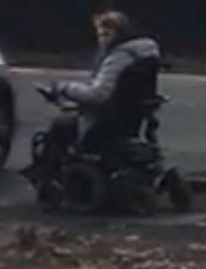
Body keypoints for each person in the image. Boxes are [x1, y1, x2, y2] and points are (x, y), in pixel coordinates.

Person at [32, 10, 161, 169]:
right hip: (128, 117)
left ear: (119, 33)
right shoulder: (144, 54)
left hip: (105, 121)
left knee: (61, 125)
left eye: (106, 34)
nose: (102, 40)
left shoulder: (119, 57)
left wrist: (63, 88)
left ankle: (48, 174)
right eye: (100, 34)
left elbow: (98, 94)